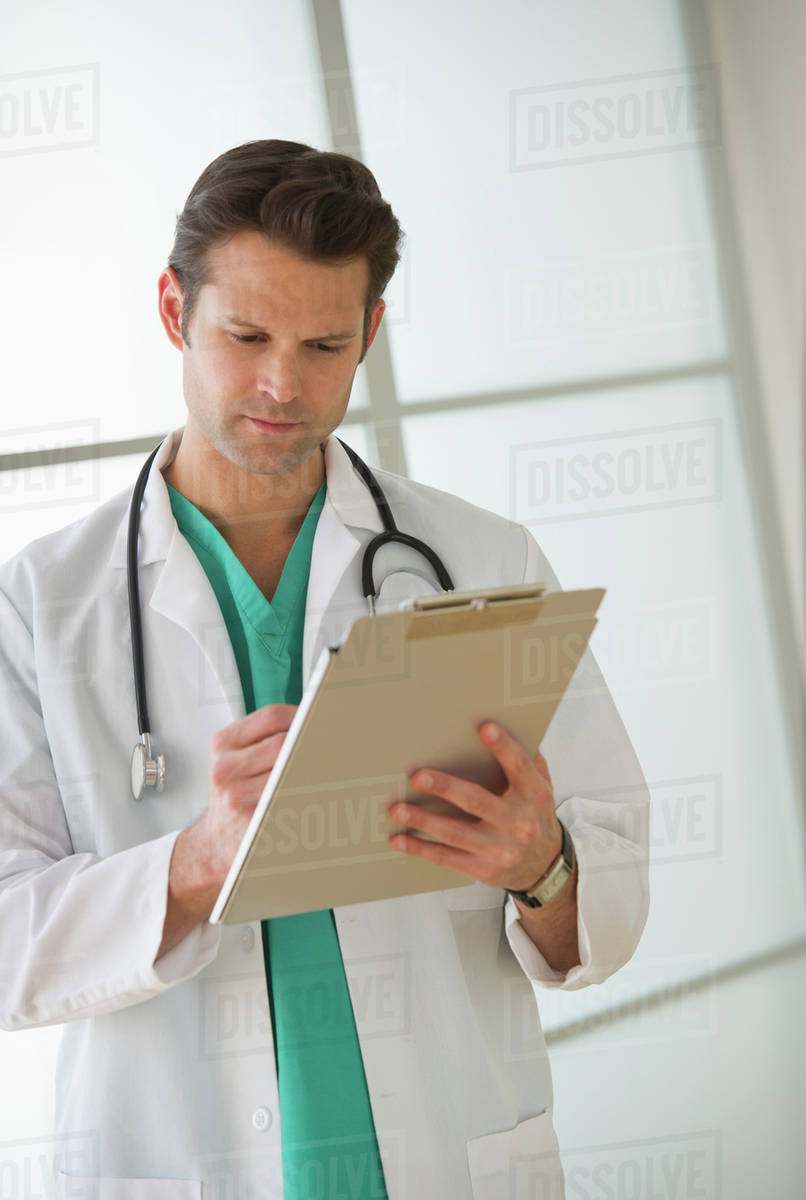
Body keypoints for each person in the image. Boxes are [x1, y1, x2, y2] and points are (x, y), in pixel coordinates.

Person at [0, 140, 649, 1200]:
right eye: (244, 335)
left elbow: (608, 890)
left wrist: (544, 865)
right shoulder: (36, 606)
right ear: (174, 311)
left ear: (371, 335)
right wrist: (195, 862)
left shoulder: (483, 563)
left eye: (322, 344)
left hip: (446, 1156)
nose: (281, 385)